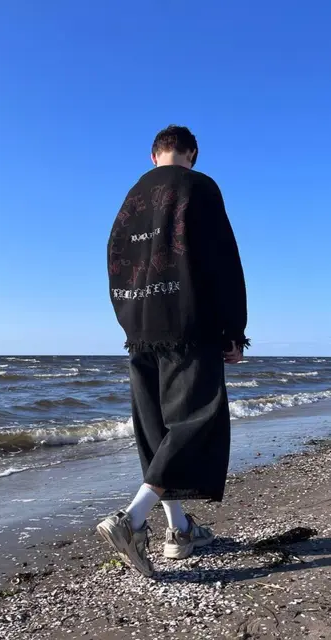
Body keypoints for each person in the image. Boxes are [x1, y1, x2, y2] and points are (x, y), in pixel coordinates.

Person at [97, 125, 249, 577]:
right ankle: (131, 519)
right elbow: (223, 258)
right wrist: (234, 328)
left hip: (139, 325)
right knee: (198, 419)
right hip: (188, 321)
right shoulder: (199, 187)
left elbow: (113, 259)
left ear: (153, 156)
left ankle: (179, 531)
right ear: (193, 153)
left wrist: (129, 320)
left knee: (158, 431)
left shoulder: (131, 198)